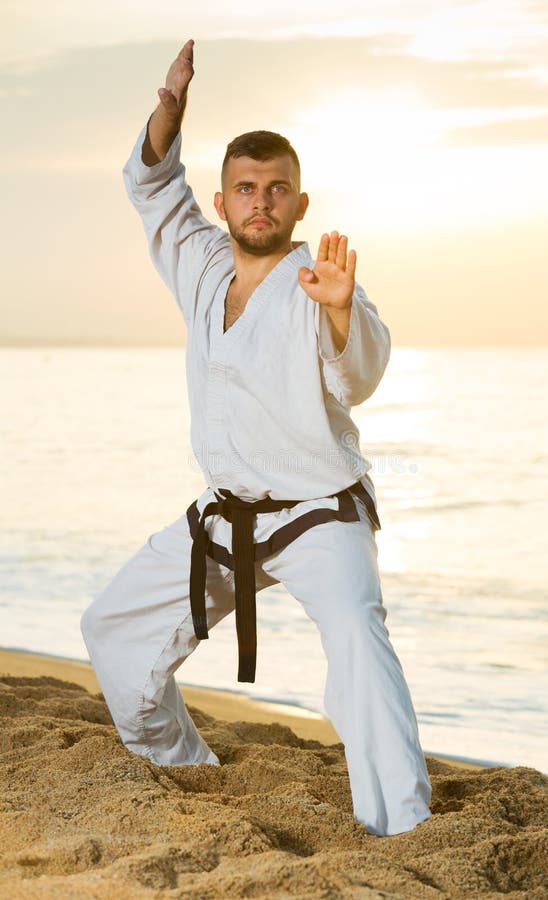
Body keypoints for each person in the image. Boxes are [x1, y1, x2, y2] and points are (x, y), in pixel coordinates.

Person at [80, 38, 432, 837]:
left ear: (300, 205)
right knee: (113, 627)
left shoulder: (319, 286)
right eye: (246, 189)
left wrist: (343, 311)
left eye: (278, 190)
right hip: (227, 514)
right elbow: (150, 188)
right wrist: (167, 115)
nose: (261, 202)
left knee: (360, 651)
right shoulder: (201, 263)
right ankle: (182, 767)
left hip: (320, 518)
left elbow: (359, 375)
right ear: (225, 200)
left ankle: (402, 828)